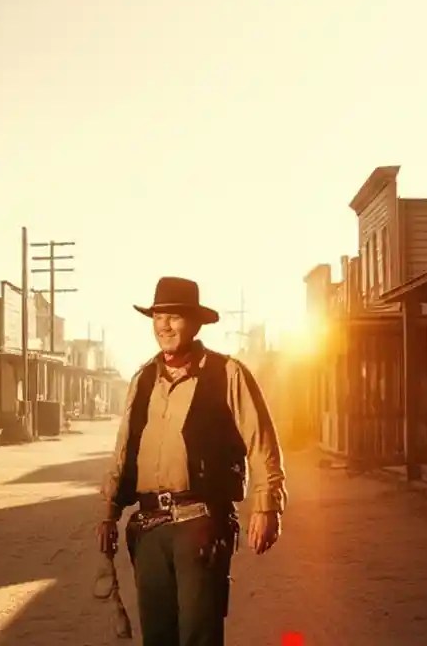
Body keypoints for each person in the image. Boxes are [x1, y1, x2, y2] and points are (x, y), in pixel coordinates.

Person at [97, 276, 287, 646]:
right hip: (149, 529)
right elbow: (124, 450)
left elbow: (261, 441)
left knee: (199, 635)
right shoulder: (143, 379)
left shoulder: (227, 373)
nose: (164, 325)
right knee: (158, 636)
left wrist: (267, 507)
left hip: (200, 524)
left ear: (196, 323)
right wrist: (108, 512)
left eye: (175, 316)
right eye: (158, 316)